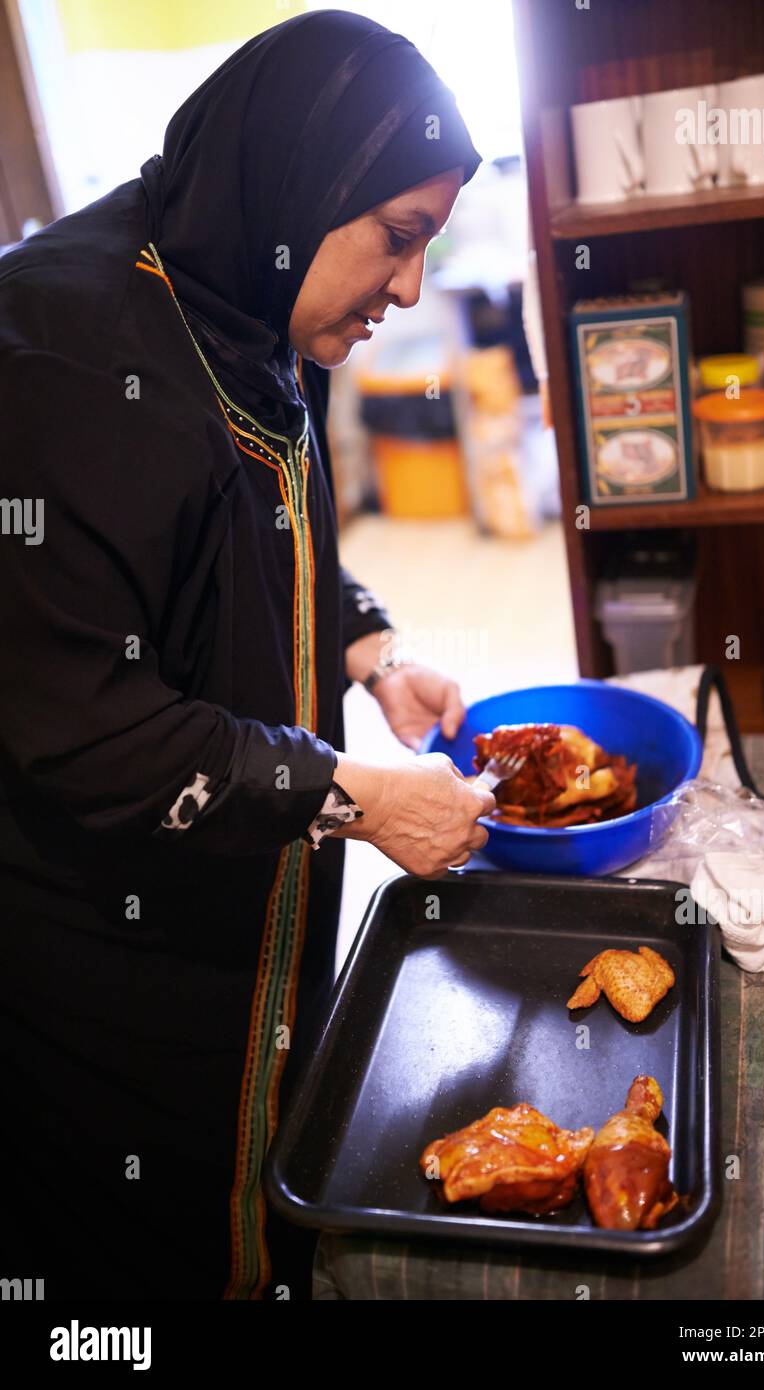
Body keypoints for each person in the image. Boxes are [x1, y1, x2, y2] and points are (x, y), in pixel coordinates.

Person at [0, 10, 495, 1301]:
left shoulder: (255, 286)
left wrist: (370, 646)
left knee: (266, 1165)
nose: (409, 291)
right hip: (108, 951)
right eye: (396, 238)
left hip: (254, 884)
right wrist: (364, 797)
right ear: (306, 179)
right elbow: (93, 730)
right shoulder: (57, 361)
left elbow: (272, 518)